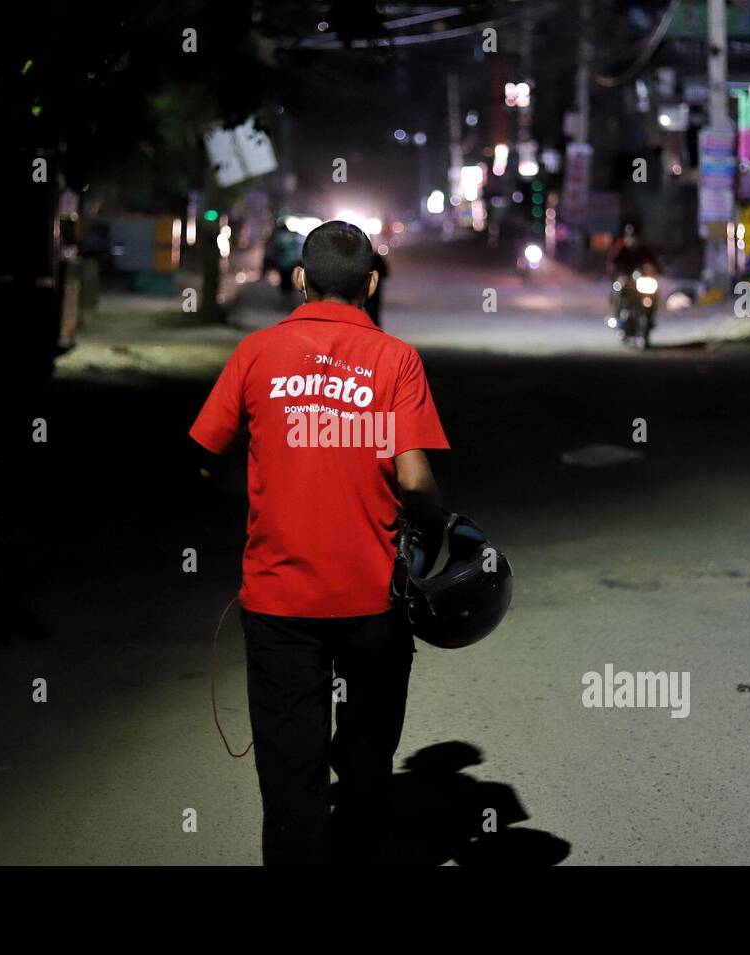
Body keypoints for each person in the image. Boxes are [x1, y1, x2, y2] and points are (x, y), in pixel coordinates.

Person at [189, 220, 450, 866]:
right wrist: (437, 527)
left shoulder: (255, 354)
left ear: (300, 279)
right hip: (372, 600)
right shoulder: (396, 360)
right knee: (366, 764)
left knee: (291, 771)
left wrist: (256, 489)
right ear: (371, 282)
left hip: (279, 602)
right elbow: (415, 479)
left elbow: (203, 456)